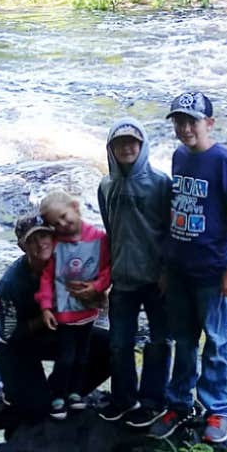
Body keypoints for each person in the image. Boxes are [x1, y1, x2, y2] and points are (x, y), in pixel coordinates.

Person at [150, 90, 227, 445]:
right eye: (179, 121)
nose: (185, 128)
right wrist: (165, 266)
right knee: (185, 340)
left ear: (209, 123)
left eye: (191, 121)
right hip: (179, 269)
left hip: (212, 270)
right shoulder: (179, 157)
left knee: (218, 342)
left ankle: (218, 411)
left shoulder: (223, 160)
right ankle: (180, 404)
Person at [0, 212, 110, 419]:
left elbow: (99, 301)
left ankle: (65, 393)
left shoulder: (70, 263)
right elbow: (11, 334)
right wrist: (48, 315)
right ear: (22, 246)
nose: (41, 244)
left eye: (44, 236)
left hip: (60, 332)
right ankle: (17, 391)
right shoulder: (10, 285)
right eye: (32, 240)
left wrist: (94, 294)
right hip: (18, 345)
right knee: (35, 411)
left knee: (113, 347)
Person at [97, 117, 172, 427]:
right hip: (123, 281)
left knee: (159, 341)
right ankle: (123, 399)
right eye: (119, 144)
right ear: (111, 149)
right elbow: (109, 228)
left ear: (142, 147)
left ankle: (153, 401)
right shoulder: (105, 186)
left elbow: (171, 230)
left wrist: (166, 271)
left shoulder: (160, 183)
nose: (126, 148)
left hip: (156, 280)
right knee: (119, 343)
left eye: (132, 143)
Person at [35, 190, 112, 419]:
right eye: (54, 223)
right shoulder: (56, 245)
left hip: (87, 312)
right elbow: (47, 278)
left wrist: (97, 287)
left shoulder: (99, 239)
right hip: (63, 314)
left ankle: (76, 393)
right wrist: (46, 307)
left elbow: (108, 269)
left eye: (64, 216)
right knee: (65, 356)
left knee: (83, 355)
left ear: (76, 208)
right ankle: (57, 395)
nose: (61, 224)